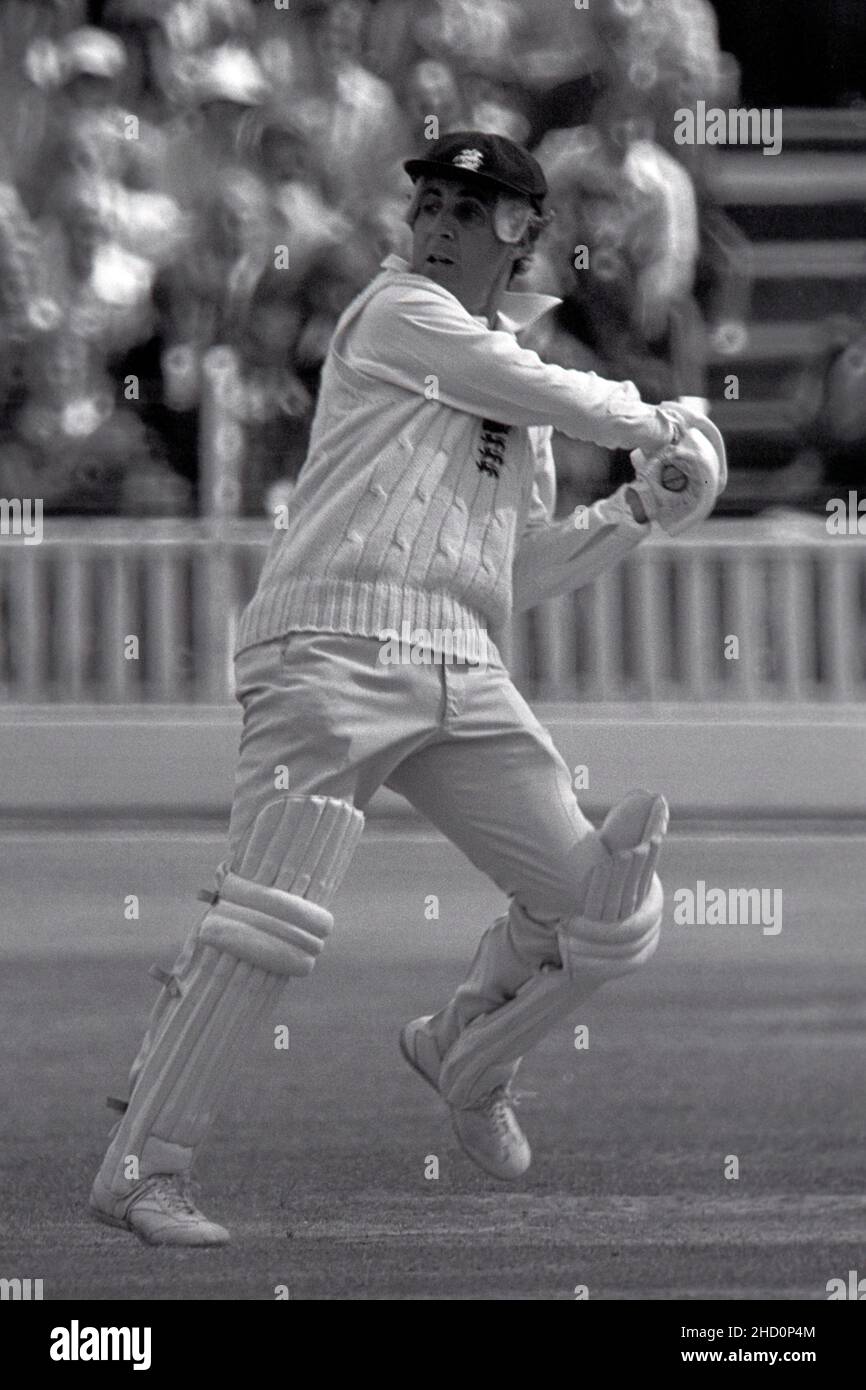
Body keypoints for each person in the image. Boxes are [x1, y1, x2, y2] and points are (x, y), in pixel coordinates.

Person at [89, 131, 726, 1246]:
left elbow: (511, 567)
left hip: (460, 665)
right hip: (329, 646)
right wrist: (660, 422)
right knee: (273, 915)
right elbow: (541, 386)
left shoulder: (504, 380)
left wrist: (632, 515)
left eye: (465, 214)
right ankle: (144, 1171)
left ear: (520, 232)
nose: (435, 227)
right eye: (427, 204)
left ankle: (464, 1049)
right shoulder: (396, 314)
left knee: (606, 912)